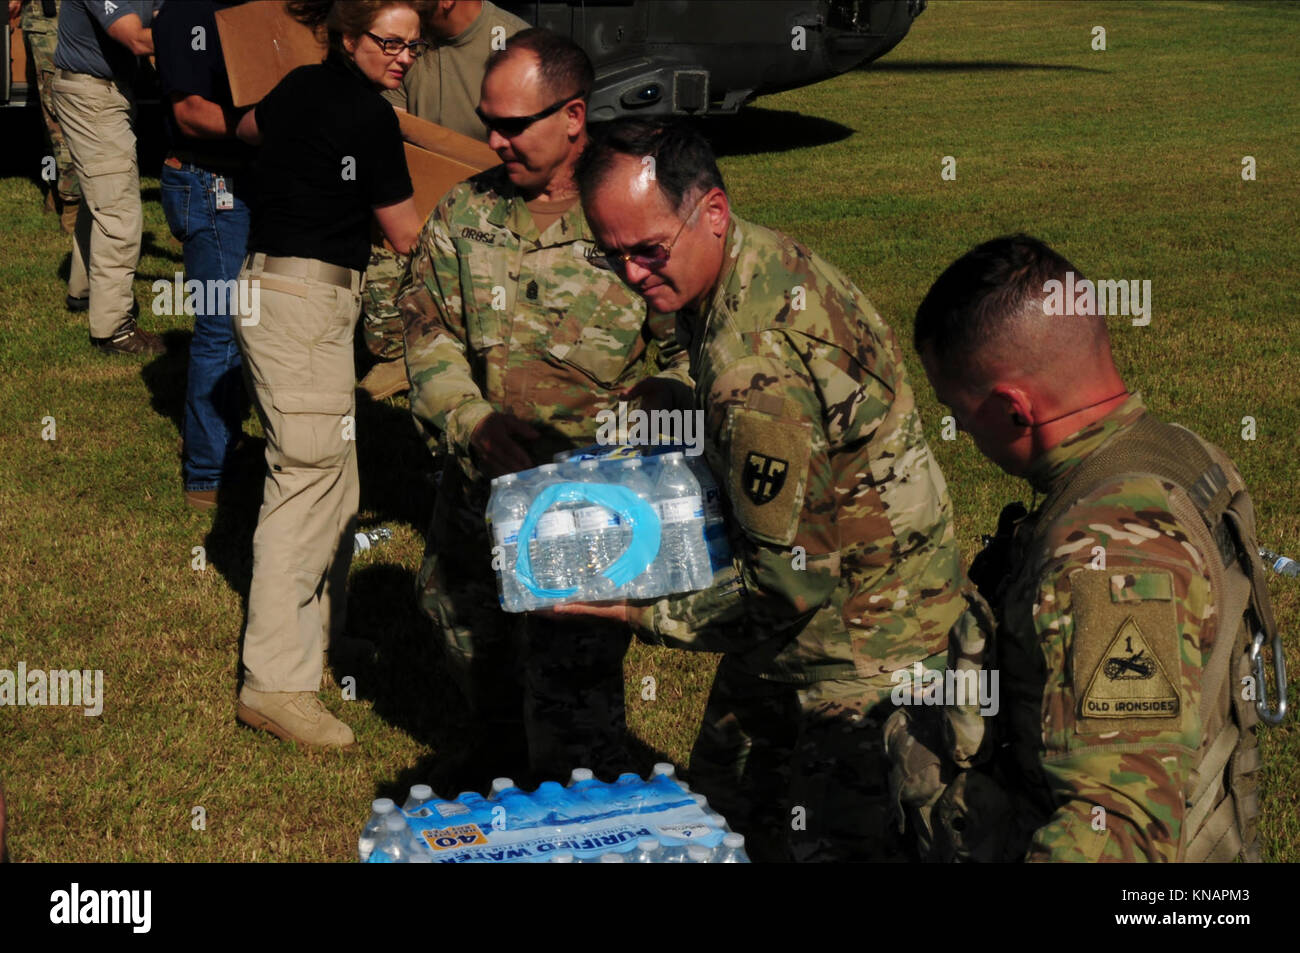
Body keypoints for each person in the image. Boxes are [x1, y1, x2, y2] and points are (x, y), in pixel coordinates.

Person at [565, 118, 979, 862]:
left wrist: (633, 607)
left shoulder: (749, 364)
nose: (632, 276)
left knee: (827, 840)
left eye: (648, 251)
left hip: (857, 654)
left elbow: (787, 583)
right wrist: (681, 402)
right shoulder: (759, 260)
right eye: (612, 254)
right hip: (858, 603)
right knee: (723, 805)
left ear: (711, 212)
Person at [899, 234, 1278, 861]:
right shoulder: (1180, 451)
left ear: (1014, 409)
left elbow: (1120, 831)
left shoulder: (1111, 550)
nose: (961, 433)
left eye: (959, 413)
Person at [396, 31, 693, 780]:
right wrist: (471, 421)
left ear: (572, 116)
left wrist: (670, 399)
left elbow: (694, 341)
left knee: (574, 701)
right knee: (474, 657)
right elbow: (427, 334)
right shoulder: (466, 213)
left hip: (586, 513)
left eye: (512, 125)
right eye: (485, 121)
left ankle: (584, 816)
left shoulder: (627, 214)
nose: (493, 140)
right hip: (477, 500)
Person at [232, 0, 424, 748]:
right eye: (389, 42)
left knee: (334, 473)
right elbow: (406, 232)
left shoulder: (296, 88)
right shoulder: (371, 119)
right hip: (306, 301)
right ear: (350, 35)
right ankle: (274, 684)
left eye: (413, 46)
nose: (403, 56)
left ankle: (323, 639)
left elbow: (246, 131)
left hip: (268, 286)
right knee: (307, 480)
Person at [359, 0, 528, 401]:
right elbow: (388, 123)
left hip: (492, 207)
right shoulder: (404, 38)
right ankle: (399, 353)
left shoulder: (514, 43)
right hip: (409, 197)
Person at [153, 0, 255, 511]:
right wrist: (265, 127)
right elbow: (189, 113)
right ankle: (206, 476)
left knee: (241, 323)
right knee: (219, 328)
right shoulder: (187, 13)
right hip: (210, 183)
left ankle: (220, 439)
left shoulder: (251, 10)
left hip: (238, 183)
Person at [51, 0, 163, 354]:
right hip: (91, 94)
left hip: (105, 90)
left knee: (100, 196)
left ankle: (83, 291)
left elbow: (162, 17)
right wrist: (205, 34)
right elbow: (135, 39)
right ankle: (113, 328)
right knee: (119, 213)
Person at [16, 0, 82, 231]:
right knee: (56, 114)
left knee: (53, 112)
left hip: (51, 20)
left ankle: (58, 191)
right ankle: (69, 200)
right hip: (48, 20)